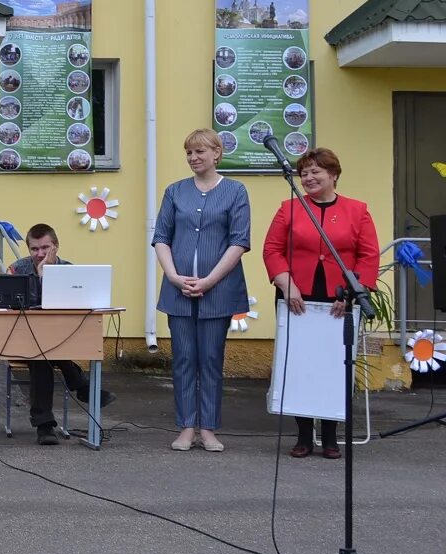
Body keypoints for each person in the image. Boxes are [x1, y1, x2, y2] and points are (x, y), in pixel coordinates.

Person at [262, 148, 378, 459]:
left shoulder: (358, 210)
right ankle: (302, 435)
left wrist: (353, 293)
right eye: (304, 173)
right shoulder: (289, 208)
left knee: (332, 364)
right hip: (296, 296)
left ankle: (330, 435)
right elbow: (272, 250)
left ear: (334, 175)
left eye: (316, 171)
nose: (309, 177)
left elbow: (368, 256)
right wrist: (287, 284)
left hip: (339, 298)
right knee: (300, 364)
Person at [152, 128, 251, 453]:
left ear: (217, 154)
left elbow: (239, 241)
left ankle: (208, 429)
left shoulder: (236, 191)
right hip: (177, 290)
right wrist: (174, 276)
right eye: (190, 153)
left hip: (218, 291)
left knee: (210, 359)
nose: (194, 158)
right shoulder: (175, 191)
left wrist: (209, 281)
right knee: (182, 359)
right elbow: (161, 237)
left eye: (200, 152)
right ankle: (185, 427)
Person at [7, 223, 115, 445]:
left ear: (55, 246)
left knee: (44, 354)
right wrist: (40, 277)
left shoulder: (70, 271)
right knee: (42, 352)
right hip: (24, 339)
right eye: (34, 249)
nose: (39, 254)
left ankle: (44, 426)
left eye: (45, 248)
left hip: (59, 340)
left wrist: (51, 275)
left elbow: (74, 306)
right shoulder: (16, 270)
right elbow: (21, 306)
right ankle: (81, 385)